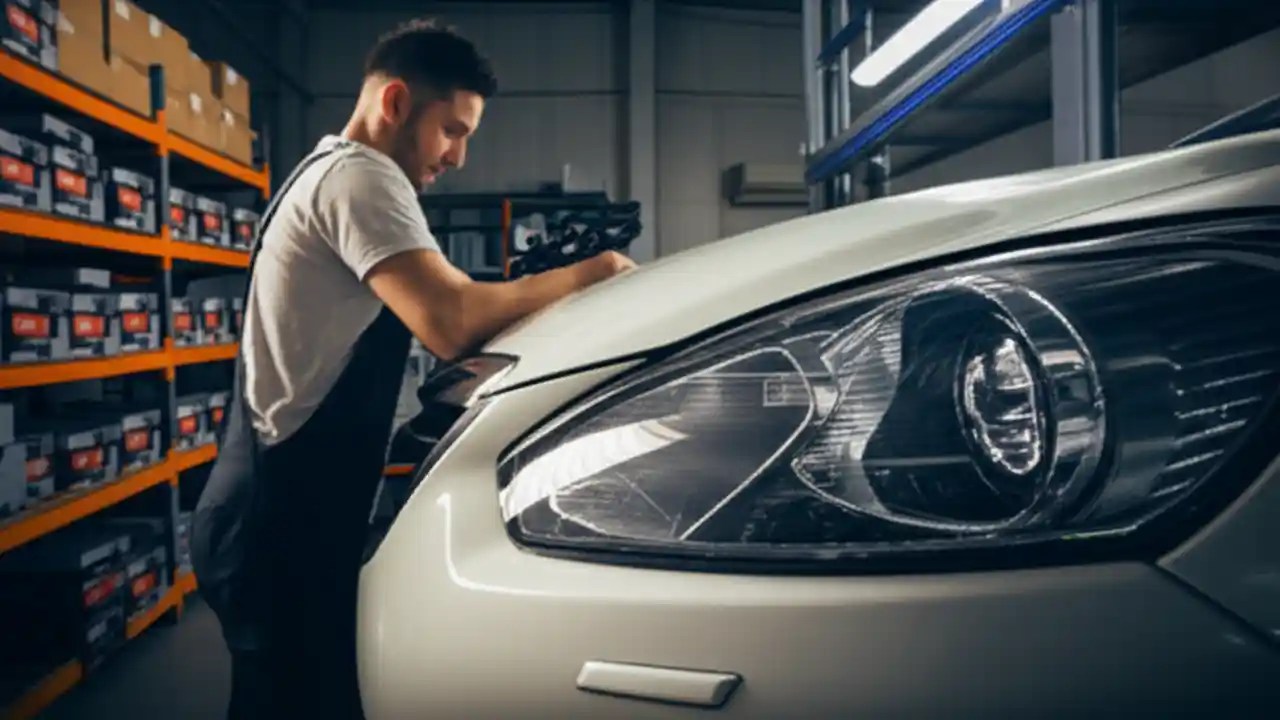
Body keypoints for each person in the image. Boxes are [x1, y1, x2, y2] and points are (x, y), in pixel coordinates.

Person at [189, 17, 635, 720]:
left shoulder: (323, 172)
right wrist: (598, 273)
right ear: (394, 102)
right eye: (452, 129)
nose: (457, 156)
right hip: (278, 525)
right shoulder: (361, 178)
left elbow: (450, 301)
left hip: (273, 512)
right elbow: (451, 320)